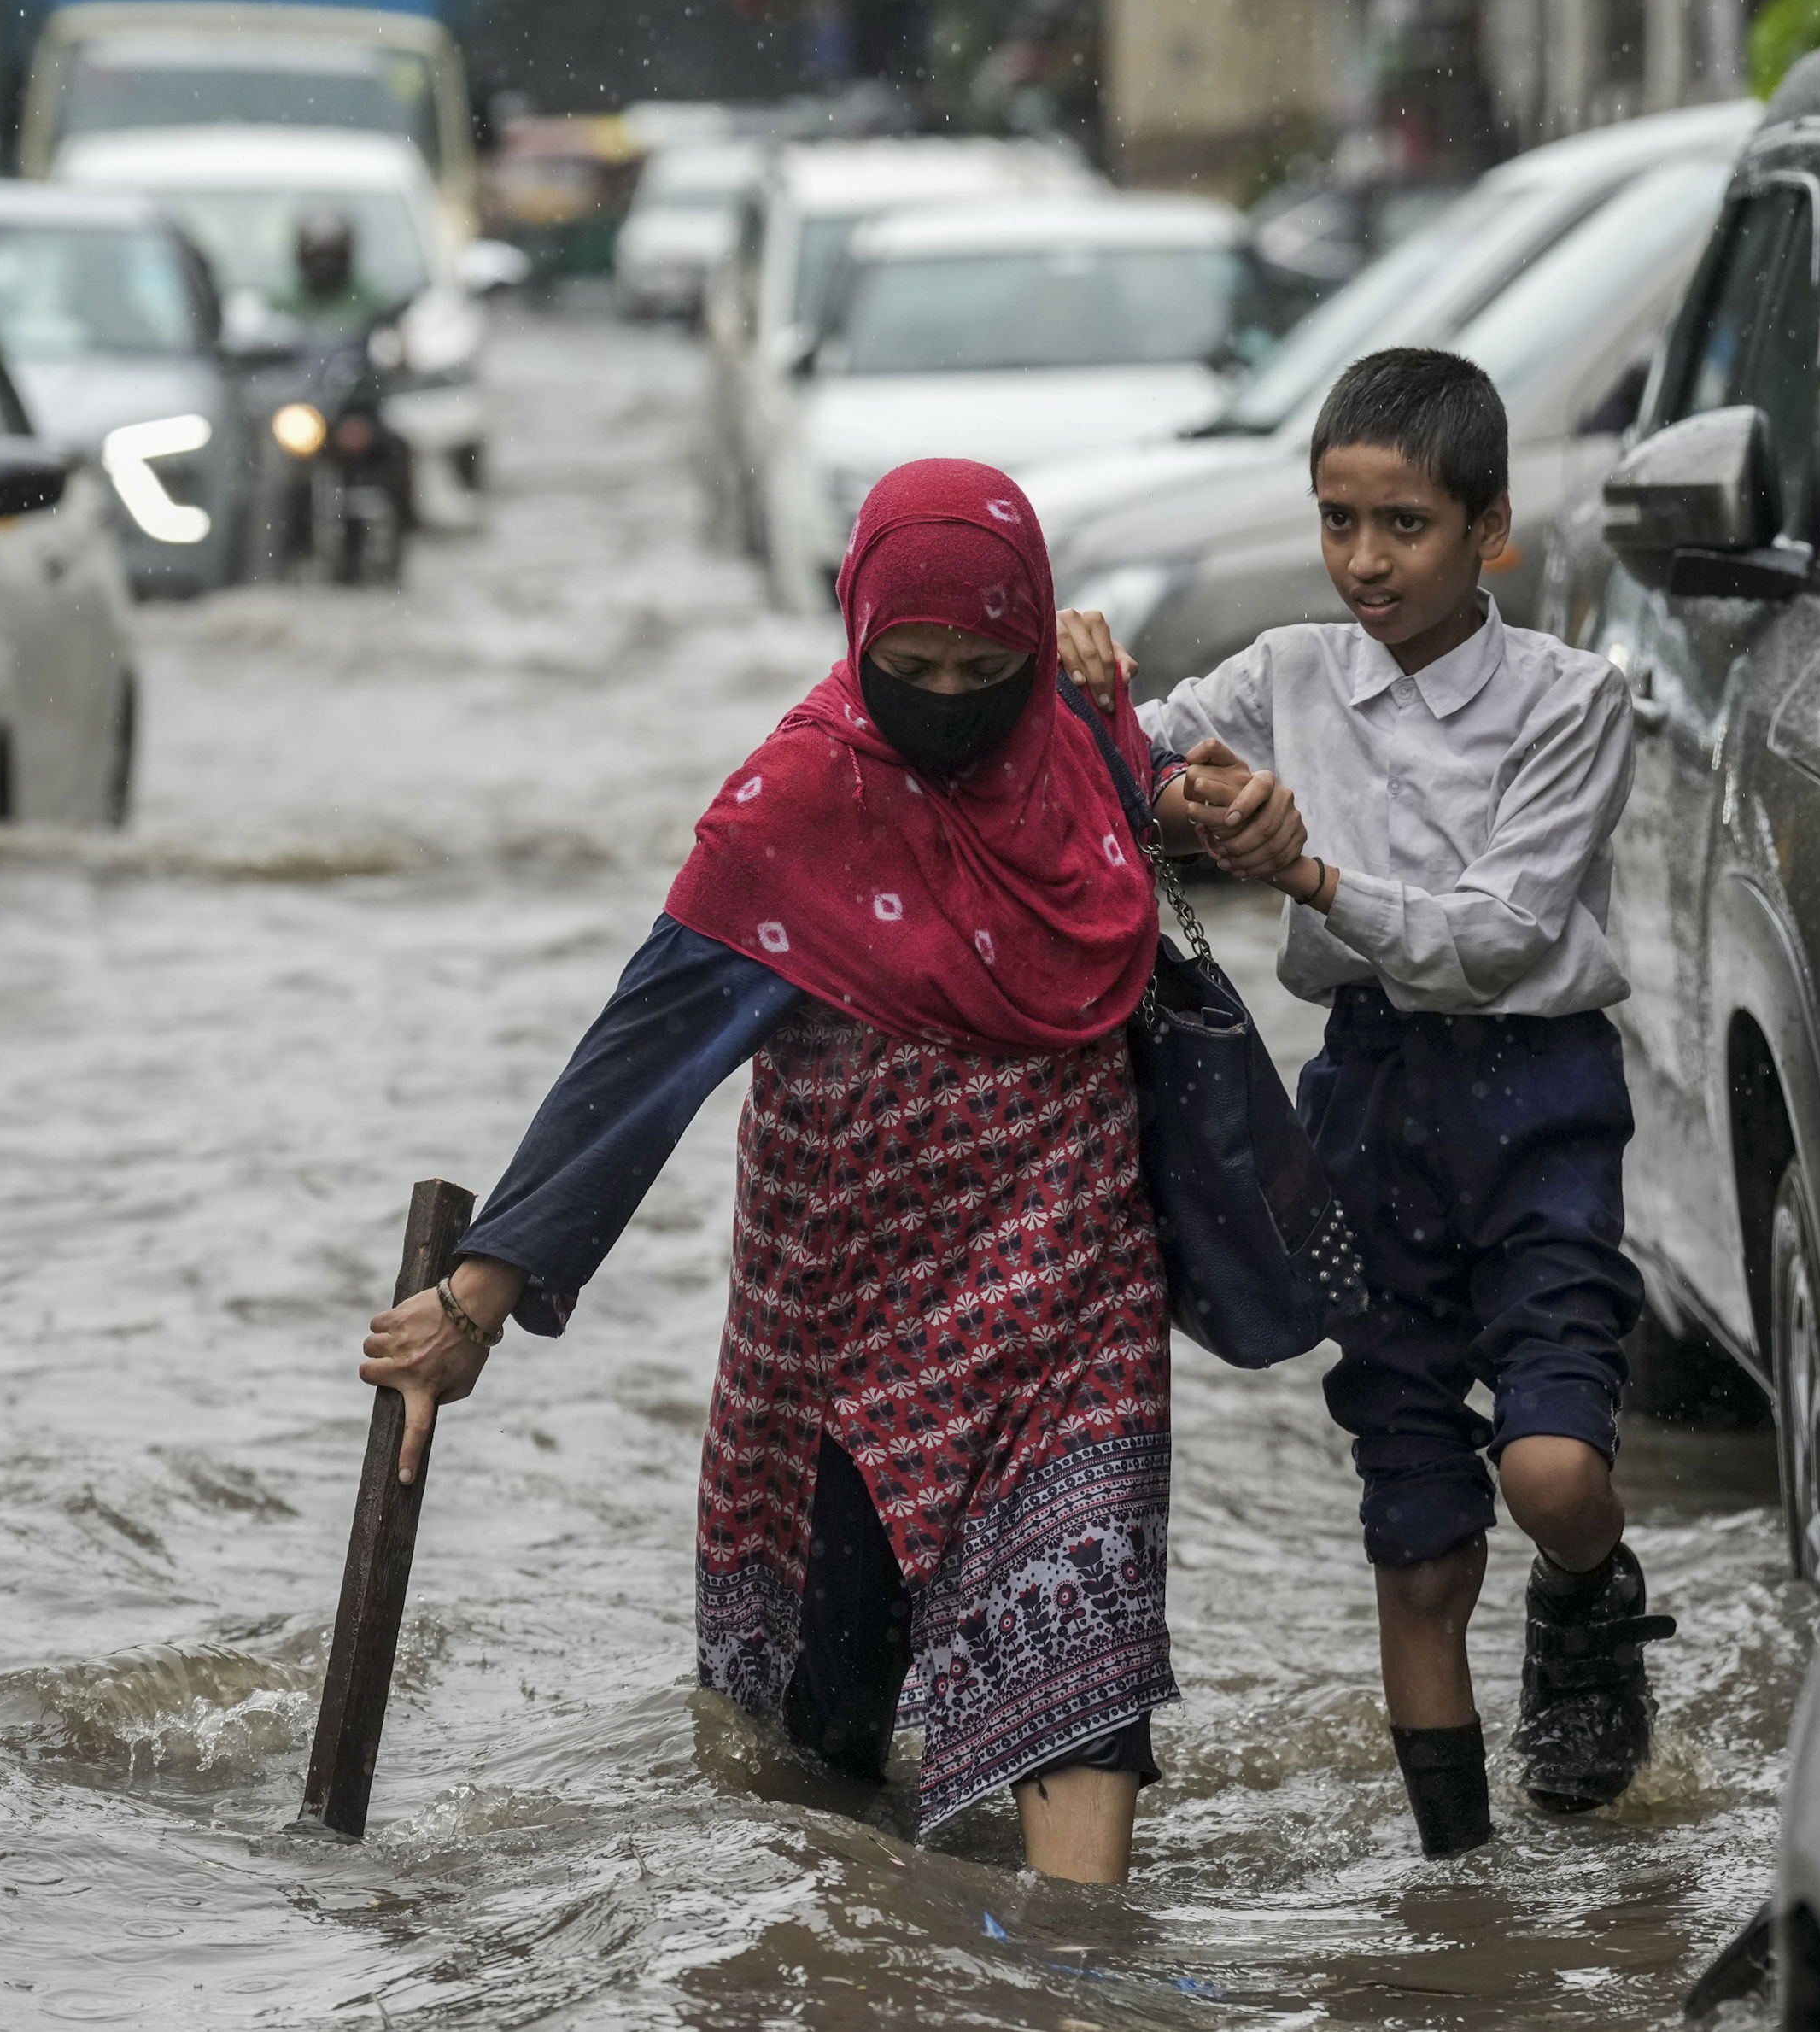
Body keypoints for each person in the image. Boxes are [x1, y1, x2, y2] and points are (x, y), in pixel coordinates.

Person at [359, 459, 1303, 1881]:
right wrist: (472, 1306)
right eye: (908, 669)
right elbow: (638, 1065)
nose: (945, 698)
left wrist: (1220, 805)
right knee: (834, 1730)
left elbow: (1161, 795)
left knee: (1086, 1633)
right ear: (856, 635)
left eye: (980, 668)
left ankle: (1081, 1958)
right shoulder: (794, 807)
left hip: (1074, 1283)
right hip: (854, 1327)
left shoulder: (1077, 742)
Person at [1056, 346, 1671, 1859]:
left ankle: (1589, 1592)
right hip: (1361, 1101)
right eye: (1338, 521)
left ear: (1490, 531)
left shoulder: (1572, 700)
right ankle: (1459, 1898)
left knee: (1550, 1470)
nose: (1365, 561)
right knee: (1414, 1533)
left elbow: (1503, 933)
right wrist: (1113, 718)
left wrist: (1306, 871)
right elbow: (1124, 771)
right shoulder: (1284, 674)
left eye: (1404, 525)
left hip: (1537, 1105)